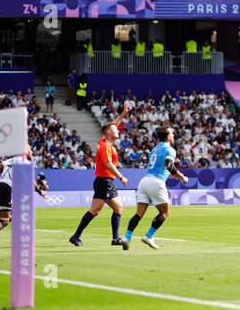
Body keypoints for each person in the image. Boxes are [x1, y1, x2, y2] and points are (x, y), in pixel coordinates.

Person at [69, 105, 131, 247]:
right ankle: (76, 236)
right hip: (104, 181)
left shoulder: (105, 141)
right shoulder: (104, 146)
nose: (118, 130)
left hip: (106, 181)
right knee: (95, 210)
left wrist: (122, 115)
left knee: (118, 208)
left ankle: (115, 239)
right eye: (115, 130)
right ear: (108, 132)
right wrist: (121, 177)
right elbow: (108, 164)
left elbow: (112, 125)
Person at [121, 126, 188, 250]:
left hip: (144, 181)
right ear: (168, 136)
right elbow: (169, 167)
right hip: (156, 182)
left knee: (138, 214)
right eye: (172, 134)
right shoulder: (170, 150)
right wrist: (182, 176)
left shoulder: (154, 149)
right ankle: (149, 236)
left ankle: (127, 237)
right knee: (165, 212)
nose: (173, 135)